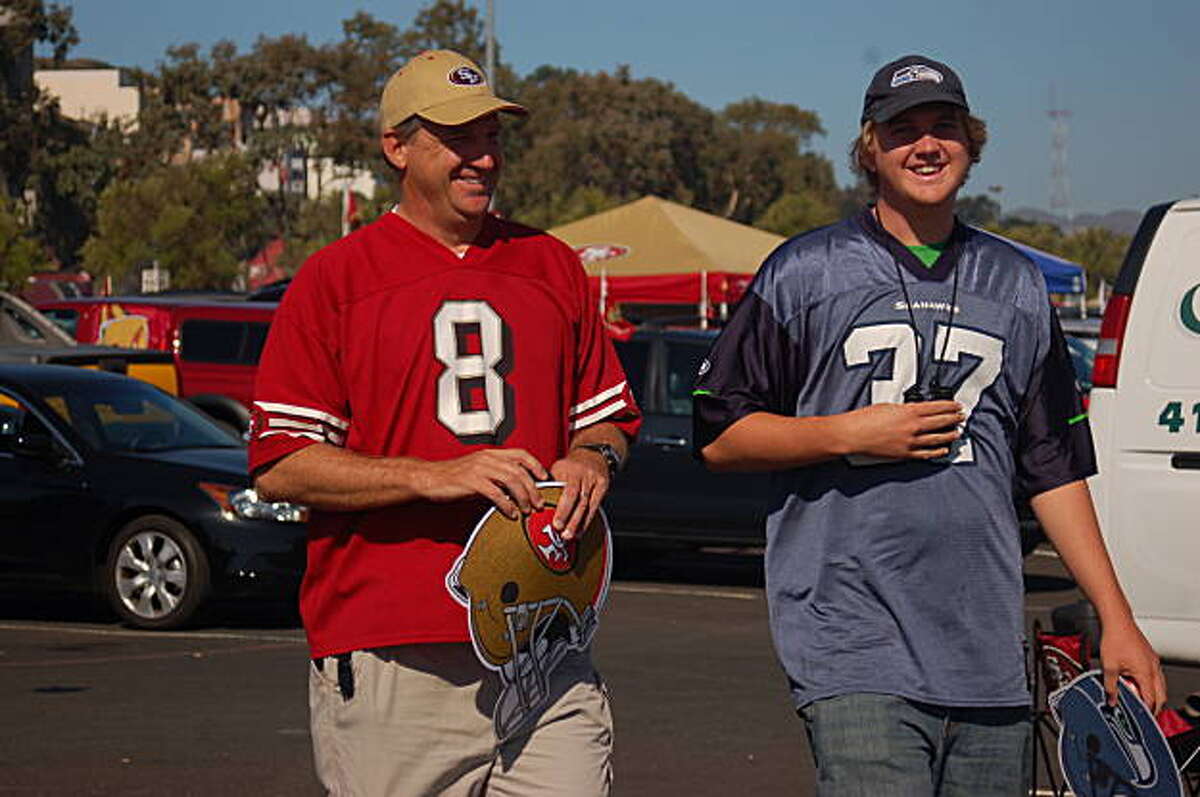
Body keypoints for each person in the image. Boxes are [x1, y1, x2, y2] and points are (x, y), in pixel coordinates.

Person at [692, 54, 1165, 796]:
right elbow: (720, 434)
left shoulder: (1015, 284)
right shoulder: (806, 270)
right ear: (869, 151)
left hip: (987, 659)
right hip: (852, 644)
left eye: (944, 127)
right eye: (902, 130)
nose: (926, 145)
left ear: (971, 143)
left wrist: (1119, 618)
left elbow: (1053, 467)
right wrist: (850, 433)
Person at [249, 49, 640, 796]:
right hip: (395, 652)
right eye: (458, 137)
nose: (483, 157)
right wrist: (433, 475)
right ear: (397, 146)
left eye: (492, 136)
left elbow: (607, 419)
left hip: (547, 644)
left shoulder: (551, 264)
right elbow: (280, 462)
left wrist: (594, 459)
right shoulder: (336, 279)